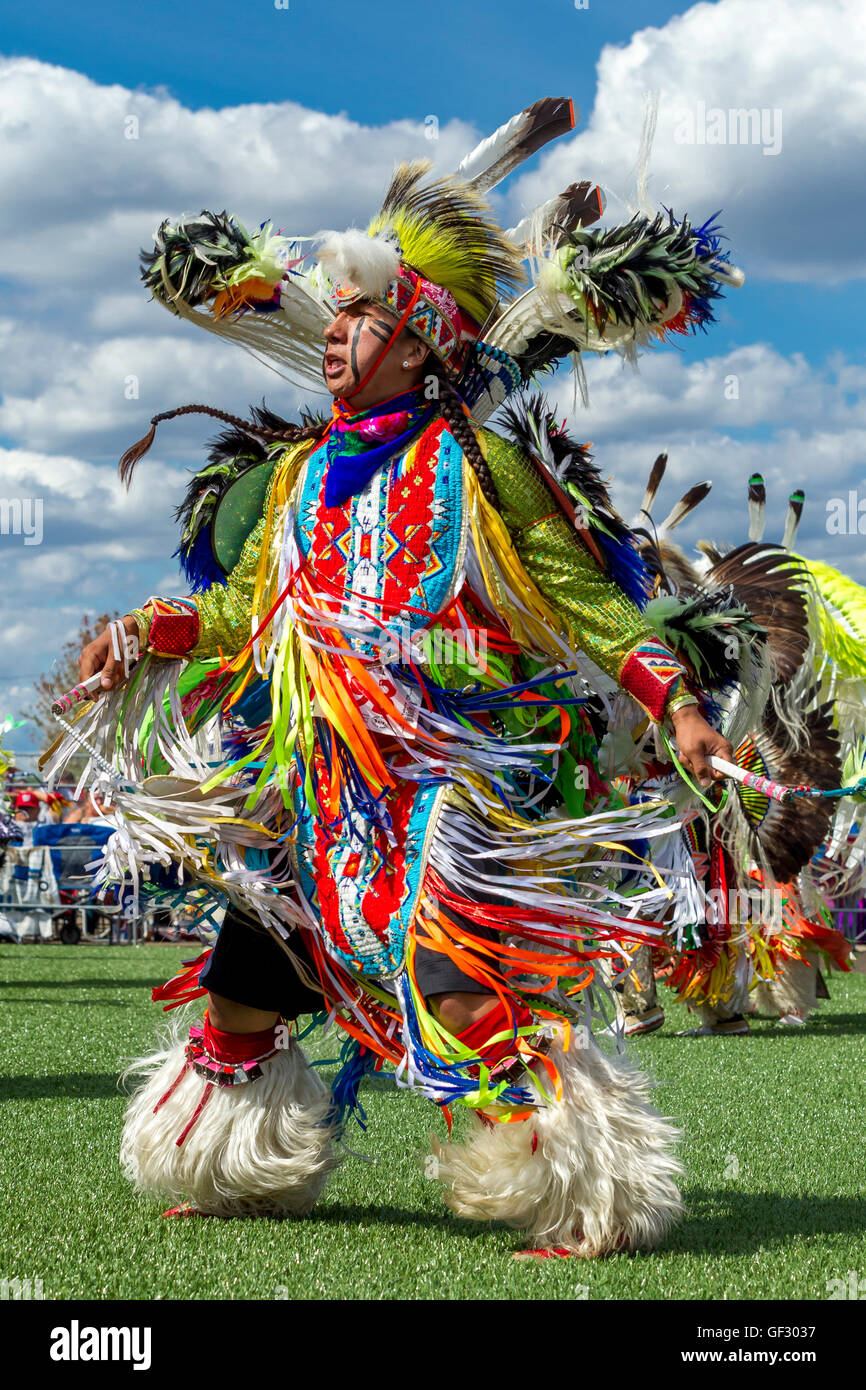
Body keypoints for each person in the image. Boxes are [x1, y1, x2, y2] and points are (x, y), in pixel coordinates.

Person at [59, 98, 742, 1256]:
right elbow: (242, 609)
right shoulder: (295, 480)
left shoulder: (481, 473)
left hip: (441, 786)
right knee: (244, 987)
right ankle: (238, 1166)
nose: (330, 334)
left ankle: (582, 1192)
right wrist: (148, 631)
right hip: (312, 784)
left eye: (360, 318)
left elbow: (591, 604)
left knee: (467, 997)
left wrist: (671, 701)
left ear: (421, 339)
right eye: (331, 319)